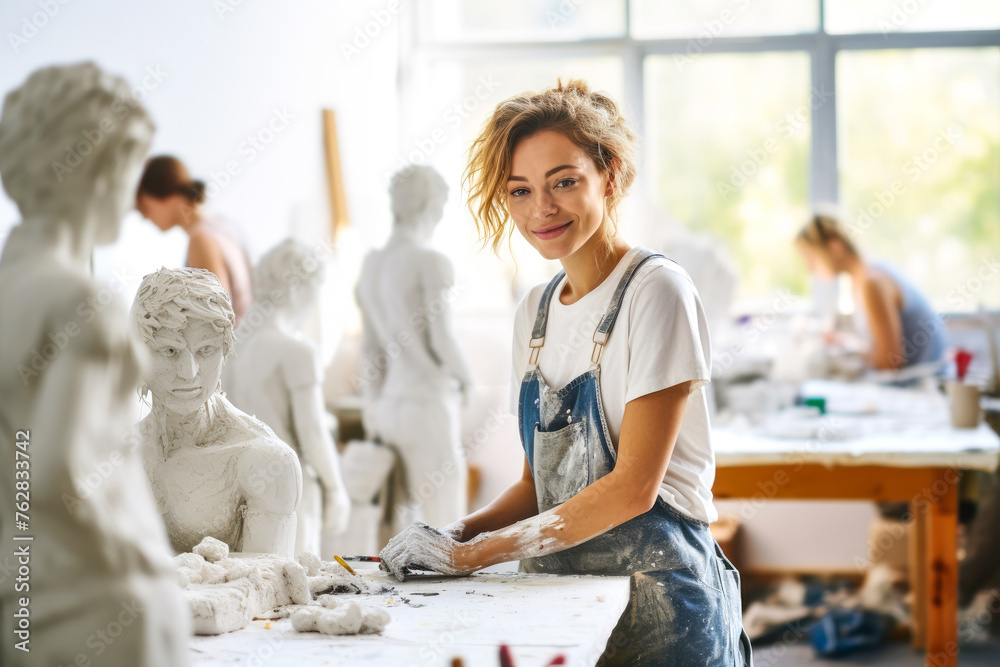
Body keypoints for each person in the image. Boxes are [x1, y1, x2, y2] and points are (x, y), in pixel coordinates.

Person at [379, 79, 752, 666]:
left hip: (660, 609)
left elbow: (634, 489)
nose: (541, 209)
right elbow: (536, 488)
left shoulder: (657, 292)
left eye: (564, 182)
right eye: (520, 190)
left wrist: (475, 558)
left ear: (611, 173)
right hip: (559, 604)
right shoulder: (536, 310)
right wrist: (453, 535)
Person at [0, 62, 188, 667]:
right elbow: (60, 472)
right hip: (99, 597)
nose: (134, 199)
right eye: (132, 169)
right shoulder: (82, 302)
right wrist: (142, 563)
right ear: (101, 167)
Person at [132, 267, 302, 557]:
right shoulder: (120, 453)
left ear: (224, 351)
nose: (189, 372)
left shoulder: (262, 462)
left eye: (206, 350)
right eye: (170, 351)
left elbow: (267, 584)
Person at [355, 165, 473, 530]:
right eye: (439, 205)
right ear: (428, 204)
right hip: (425, 403)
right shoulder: (430, 261)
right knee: (446, 520)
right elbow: (441, 339)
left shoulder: (372, 264)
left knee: (396, 521)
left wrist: (370, 404)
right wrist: (467, 379)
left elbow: (369, 348)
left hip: (388, 405)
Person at [224, 239, 351, 556]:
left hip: (236, 485)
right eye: (315, 288)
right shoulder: (297, 352)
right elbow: (312, 434)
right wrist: (336, 489)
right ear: (299, 289)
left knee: (252, 586)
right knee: (295, 584)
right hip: (289, 485)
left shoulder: (230, 349)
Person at [795, 211, 947, 370]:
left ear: (835, 246)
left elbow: (889, 364)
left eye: (811, 258)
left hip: (926, 384)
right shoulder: (862, 278)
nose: (810, 269)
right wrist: (841, 340)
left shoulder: (873, 283)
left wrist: (848, 344)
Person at [136, 155, 253, 324]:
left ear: (170, 195)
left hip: (232, 347)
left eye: (145, 208)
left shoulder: (201, 239)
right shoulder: (221, 226)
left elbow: (213, 318)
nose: (145, 217)